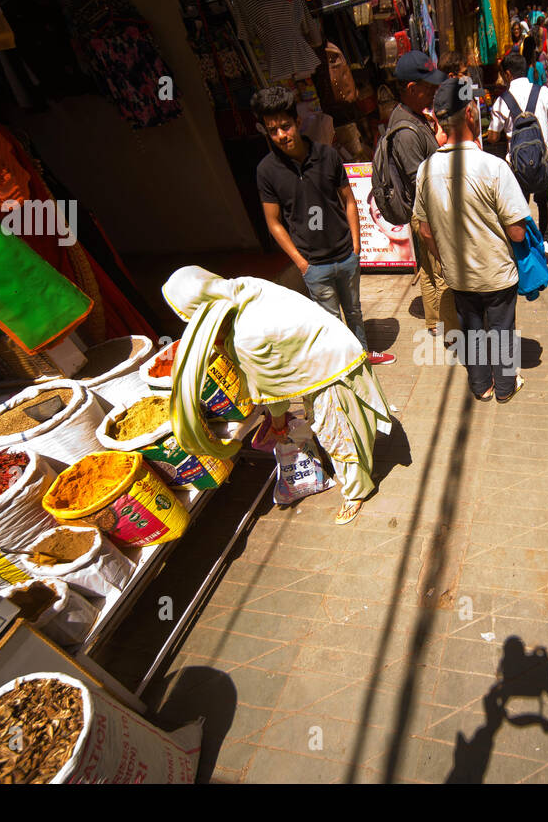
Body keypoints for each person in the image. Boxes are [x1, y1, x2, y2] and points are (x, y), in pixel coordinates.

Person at [162, 266, 394, 525]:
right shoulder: (243, 286)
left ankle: (357, 491)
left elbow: (275, 395)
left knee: (338, 434)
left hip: (330, 364)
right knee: (329, 422)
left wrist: (278, 424)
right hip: (317, 350)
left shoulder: (246, 338)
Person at [252, 86, 396, 366]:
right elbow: (273, 222)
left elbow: (349, 200)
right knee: (330, 321)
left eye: (285, 126)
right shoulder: (267, 171)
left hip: (345, 254)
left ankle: (363, 358)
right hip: (313, 264)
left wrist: (356, 245)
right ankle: (345, 370)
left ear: (297, 122)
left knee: (354, 311)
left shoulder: (327, 156)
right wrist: (300, 262)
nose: (281, 135)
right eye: (273, 130)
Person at [413, 77, 531, 403]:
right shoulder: (494, 167)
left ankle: (482, 386)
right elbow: (517, 231)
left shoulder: (425, 171)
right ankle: (506, 387)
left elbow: (424, 231)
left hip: (459, 276)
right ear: (468, 113)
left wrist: (447, 258)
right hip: (497, 274)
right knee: (502, 331)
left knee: (472, 332)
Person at [383, 51, 451, 337]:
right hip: (426, 211)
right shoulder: (406, 131)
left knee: (430, 267)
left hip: (425, 209)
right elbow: (420, 180)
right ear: (412, 89)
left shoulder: (413, 116)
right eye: (429, 86)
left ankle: (436, 321)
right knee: (441, 268)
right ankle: (448, 325)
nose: (435, 91)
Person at [486, 51, 548, 259]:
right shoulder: (543, 92)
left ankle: (522, 245)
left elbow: (493, 137)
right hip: (542, 157)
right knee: (544, 198)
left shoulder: (502, 101)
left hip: (516, 162)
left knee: (518, 202)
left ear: (507, 74)